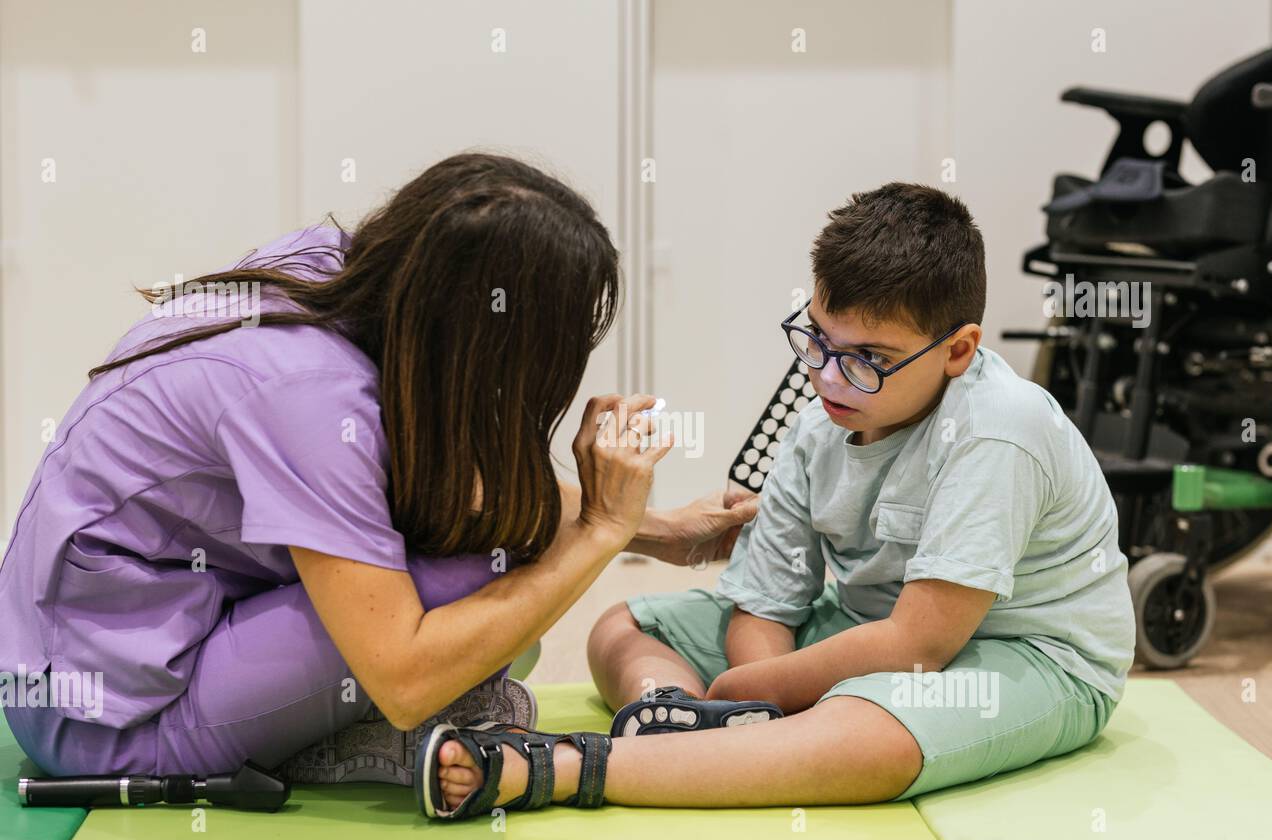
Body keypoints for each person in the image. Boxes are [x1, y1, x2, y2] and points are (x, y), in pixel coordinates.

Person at [0, 151, 758, 784]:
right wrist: (596, 532)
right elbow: (404, 679)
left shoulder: (334, 268)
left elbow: (433, 484)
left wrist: (656, 532)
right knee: (482, 577)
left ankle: (318, 725)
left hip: (88, 653)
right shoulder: (309, 397)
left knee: (494, 575)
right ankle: (326, 747)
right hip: (107, 728)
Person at [422, 182, 1136, 820]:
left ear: (957, 350)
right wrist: (755, 689)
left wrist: (742, 686)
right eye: (818, 342)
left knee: (875, 740)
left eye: (867, 360)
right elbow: (767, 602)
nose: (830, 376)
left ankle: (572, 767)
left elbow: (921, 645)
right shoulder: (823, 417)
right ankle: (676, 724)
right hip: (867, 626)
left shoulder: (998, 430)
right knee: (624, 629)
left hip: (1023, 655)